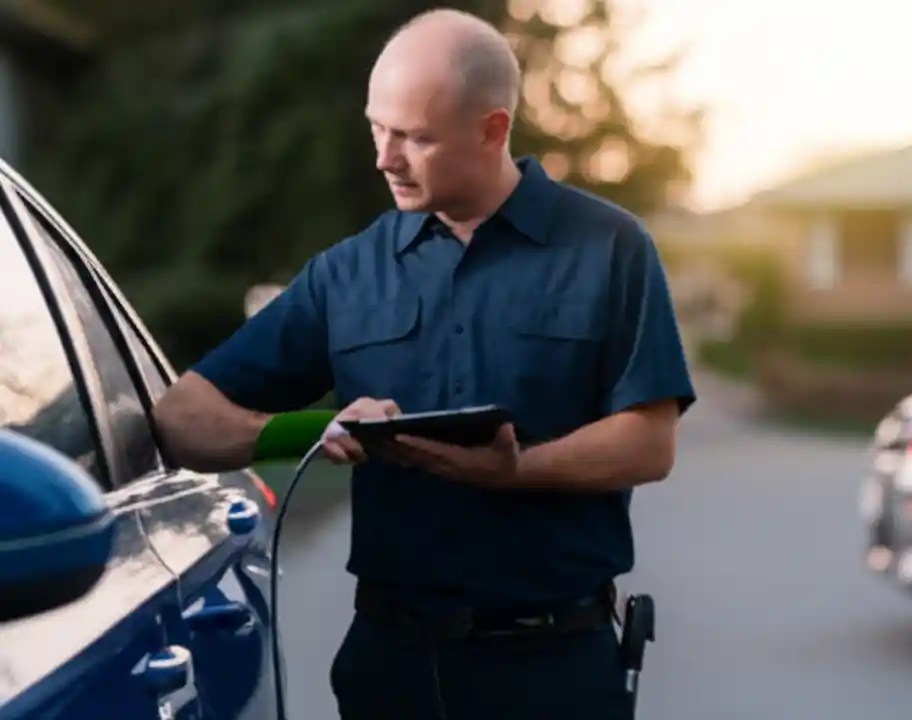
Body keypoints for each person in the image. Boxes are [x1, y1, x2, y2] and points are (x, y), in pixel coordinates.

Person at [153, 8, 695, 719]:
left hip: (555, 669)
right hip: (393, 667)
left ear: (492, 129)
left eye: (415, 137)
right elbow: (181, 420)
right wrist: (315, 430)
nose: (385, 158)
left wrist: (515, 472)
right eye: (377, 129)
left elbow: (649, 441)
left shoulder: (610, 248)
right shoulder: (347, 272)